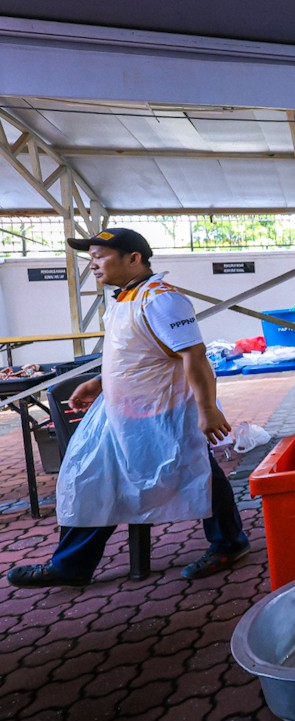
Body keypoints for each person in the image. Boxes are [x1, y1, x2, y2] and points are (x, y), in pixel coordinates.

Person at [6, 228, 250, 589]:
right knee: (93, 479)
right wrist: (100, 382)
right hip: (123, 413)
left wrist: (207, 409)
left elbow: (193, 356)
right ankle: (71, 565)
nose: (92, 265)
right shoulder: (125, 299)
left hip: (163, 412)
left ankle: (229, 543)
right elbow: (137, 354)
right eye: (91, 258)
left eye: (99, 257)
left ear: (133, 258)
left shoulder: (161, 300)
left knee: (195, 471)